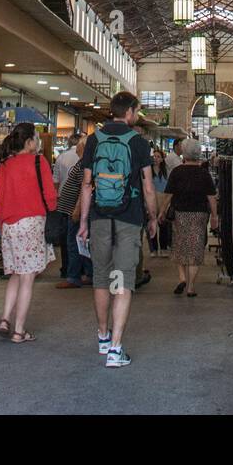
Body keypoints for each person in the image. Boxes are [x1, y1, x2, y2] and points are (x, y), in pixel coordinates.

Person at [78, 91, 157, 368]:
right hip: (128, 218)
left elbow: (87, 184)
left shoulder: (93, 139)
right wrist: (154, 217)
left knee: (102, 278)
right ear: (131, 112)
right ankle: (115, 349)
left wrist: (83, 222)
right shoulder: (138, 142)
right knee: (122, 281)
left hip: (99, 217)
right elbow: (148, 186)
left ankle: (102, 336)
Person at [0, 122, 57, 344]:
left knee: (15, 274)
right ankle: (19, 330)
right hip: (31, 223)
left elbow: (0, 198)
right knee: (28, 278)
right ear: (30, 142)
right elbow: (50, 195)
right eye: (36, 138)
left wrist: (2, 223)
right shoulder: (40, 162)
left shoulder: (5, 164)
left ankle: (4, 318)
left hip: (9, 224)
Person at [159, 137, 217, 297]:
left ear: (184, 153)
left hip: (180, 214)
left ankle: (182, 278)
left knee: (179, 246)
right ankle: (191, 287)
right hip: (199, 215)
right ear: (198, 154)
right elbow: (211, 197)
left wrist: (161, 211)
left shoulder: (177, 172)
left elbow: (168, 195)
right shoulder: (204, 174)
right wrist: (214, 217)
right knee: (195, 249)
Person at [54, 134, 92, 289]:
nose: (76, 149)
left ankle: (73, 277)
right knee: (81, 244)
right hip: (72, 210)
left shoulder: (85, 165)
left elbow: (84, 188)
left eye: (79, 147)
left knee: (73, 244)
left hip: (75, 212)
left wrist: (77, 210)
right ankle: (89, 274)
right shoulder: (82, 163)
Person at [53, 132, 83, 275]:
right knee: (78, 238)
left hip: (67, 205)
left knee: (68, 240)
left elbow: (56, 182)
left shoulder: (61, 157)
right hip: (78, 205)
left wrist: (56, 200)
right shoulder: (83, 160)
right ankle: (79, 270)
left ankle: (68, 269)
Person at [148, 149, 171, 257]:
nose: (155, 158)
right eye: (154, 156)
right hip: (152, 200)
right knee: (151, 225)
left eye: (158, 157)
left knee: (163, 225)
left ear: (162, 159)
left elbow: (169, 187)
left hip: (163, 200)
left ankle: (163, 248)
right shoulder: (148, 171)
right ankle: (153, 249)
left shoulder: (166, 171)